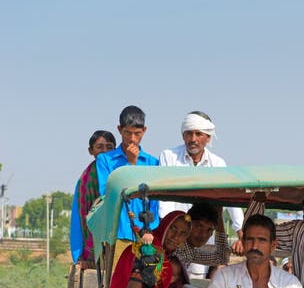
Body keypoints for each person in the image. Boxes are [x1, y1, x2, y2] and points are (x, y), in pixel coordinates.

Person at [158, 111, 244, 253]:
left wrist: (240, 230)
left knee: (198, 274)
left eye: (198, 134)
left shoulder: (218, 164)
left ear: (208, 137)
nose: (193, 139)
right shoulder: (169, 157)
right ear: (183, 136)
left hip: (202, 238)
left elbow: (230, 199)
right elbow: (164, 201)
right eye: (189, 134)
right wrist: (170, 231)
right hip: (175, 236)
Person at [96, 105, 159, 242]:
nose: (132, 139)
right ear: (119, 129)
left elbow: (155, 202)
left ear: (144, 131)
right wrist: (130, 165)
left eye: (137, 133)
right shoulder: (105, 160)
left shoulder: (152, 162)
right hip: (116, 235)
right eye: (127, 132)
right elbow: (106, 195)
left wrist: (149, 229)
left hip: (146, 235)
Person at [70, 129, 116, 265]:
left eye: (109, 147)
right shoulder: (86, 179)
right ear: (91, 151)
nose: (105, 151)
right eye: (99, 147)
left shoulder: (118, 171)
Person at [175, 201, 230, 280]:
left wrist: (219, 217)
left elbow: (221, 258)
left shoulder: (190, 252)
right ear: (187, 224)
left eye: (209, 230)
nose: (203, 234)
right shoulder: (176, 249)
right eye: (199, 226)